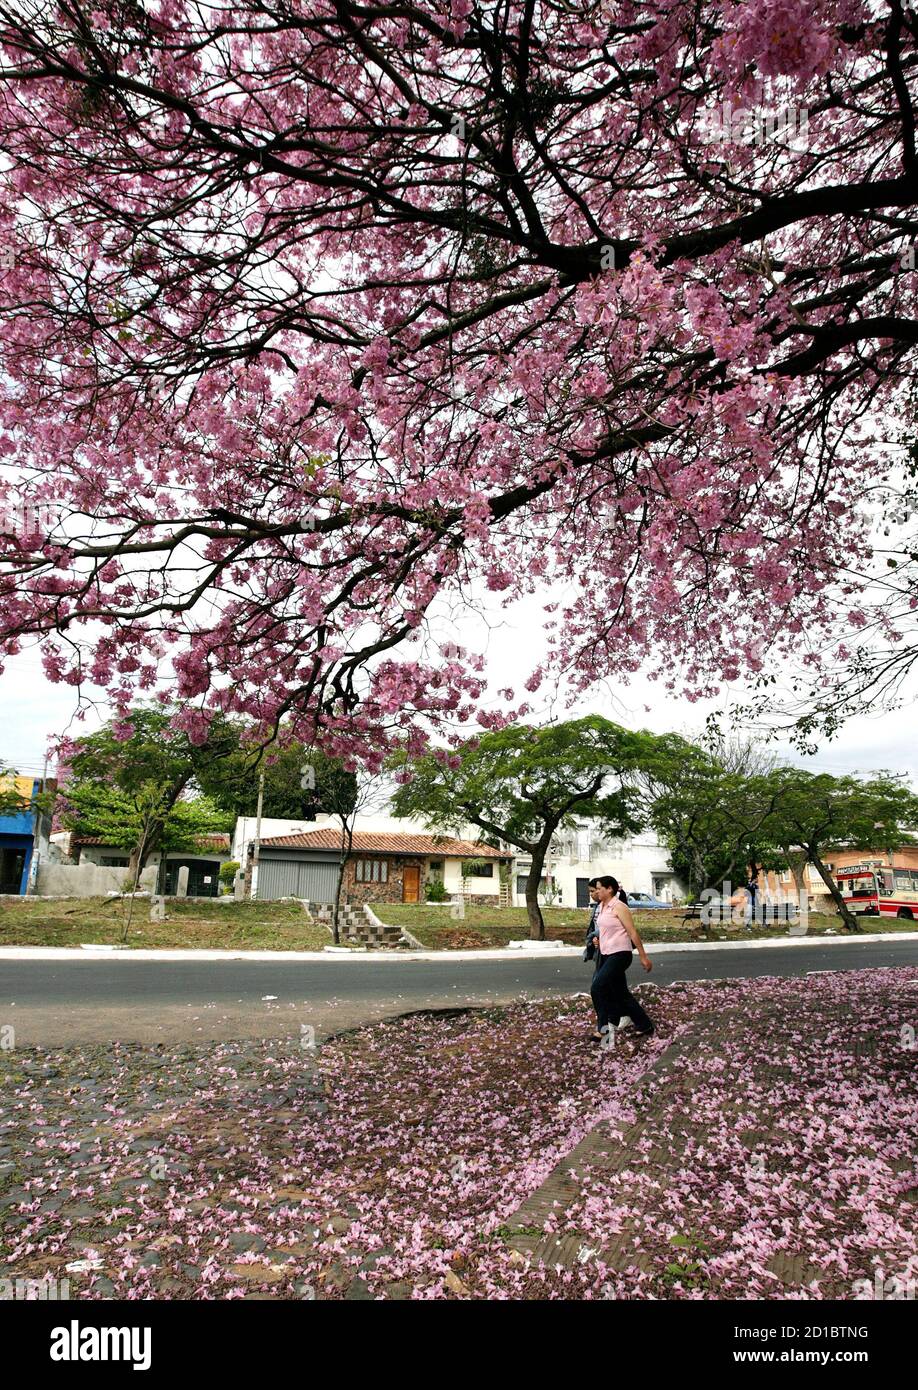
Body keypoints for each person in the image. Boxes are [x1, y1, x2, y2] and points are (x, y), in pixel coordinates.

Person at [589, 875, 655, 1041]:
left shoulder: (619, 907)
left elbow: (632, 932)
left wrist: (643, 956)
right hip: (606, 953)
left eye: (598, 888)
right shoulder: (603, 906)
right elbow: (606, 929)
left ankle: (603, 1030)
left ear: (609, 889)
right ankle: (644, 1024)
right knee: (621, 993)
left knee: (597, 987)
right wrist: (598, 939)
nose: (596, 891)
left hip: (620, 954)